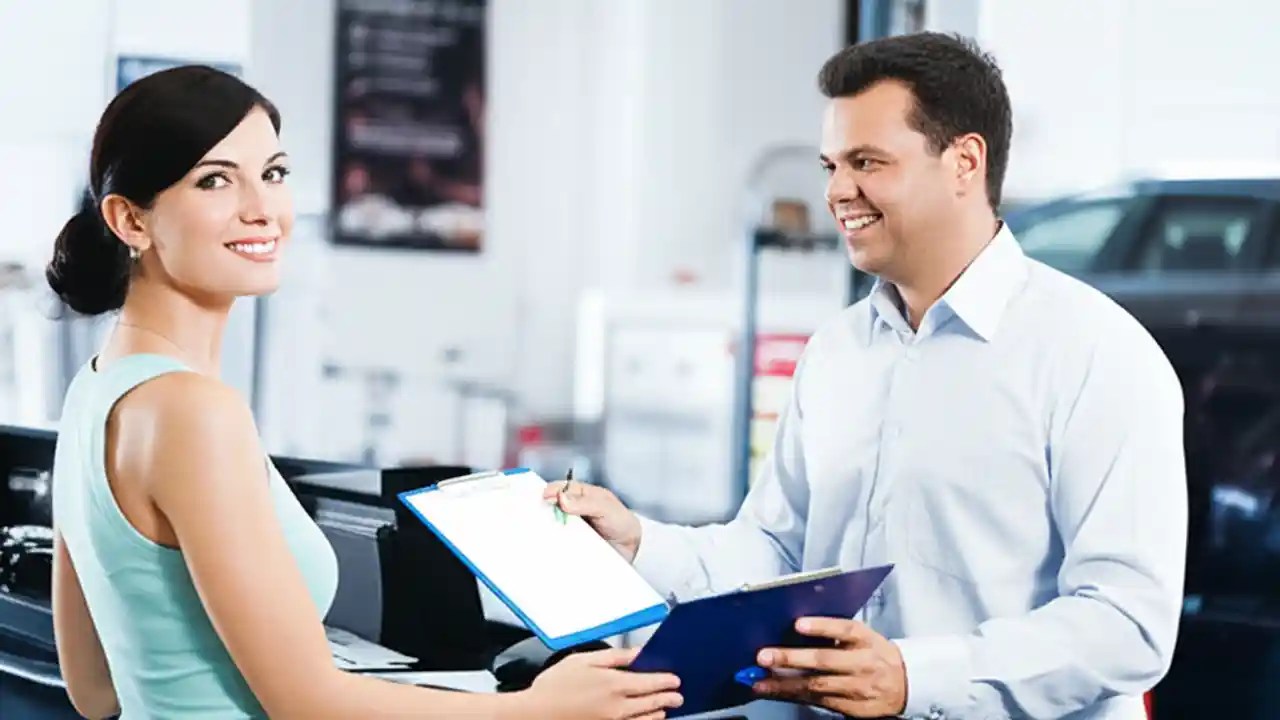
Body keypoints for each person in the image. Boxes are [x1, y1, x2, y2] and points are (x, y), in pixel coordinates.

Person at [549, 32, 1187, 719]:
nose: (836, 192)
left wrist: (916, 678)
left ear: (964, 162)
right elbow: (776, 549)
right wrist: (640, 540)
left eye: (867, 162)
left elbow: (1128, 623)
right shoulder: (837, 353)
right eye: (830, 165)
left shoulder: (1097, 354)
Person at [46, 65, 682, 720]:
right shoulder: (194, 413)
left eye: (273, 173)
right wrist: (544, 711)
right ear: (129, 220)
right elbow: (308, 704)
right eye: (215, 180)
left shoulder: (96, 391)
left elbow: (94, 691)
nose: (262, 208)